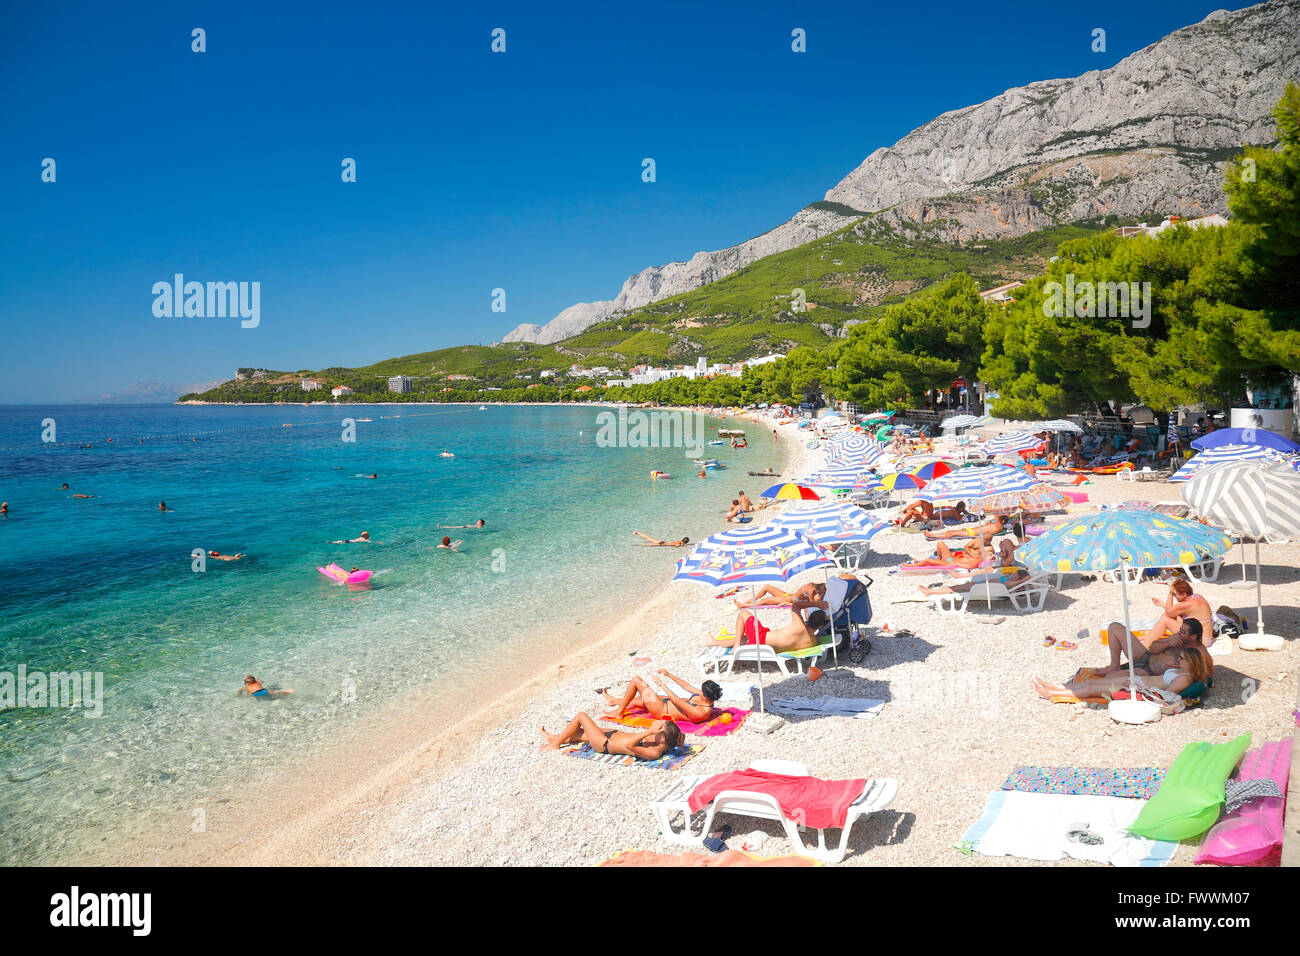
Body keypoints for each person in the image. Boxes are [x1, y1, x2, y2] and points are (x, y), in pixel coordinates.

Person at [1034, 645, 1211, 701]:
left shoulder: (1185, 679)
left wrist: (1137, 690)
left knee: (1092, 687)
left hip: (1136, 687)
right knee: (1091, 684)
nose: (1178, 660)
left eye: (1182, 658)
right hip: (1136, 681)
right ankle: (1056, 687)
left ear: (1191, 663)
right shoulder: (1180, 671)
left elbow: (1166, 695)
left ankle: (1053, 694)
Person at [540, 712, 683, 759]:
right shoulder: (660, 741)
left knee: (581, 717)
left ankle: (555, 744)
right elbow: (678, 737)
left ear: (663, 737)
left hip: (604, 744)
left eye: (658, 730)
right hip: (614, 735)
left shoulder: (653, 752)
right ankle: (554, 738)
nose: (654, 728)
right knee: (580, 733)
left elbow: (629, 745)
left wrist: (648, 732)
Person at [1104, 617, 1213, 677]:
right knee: (1115, 627)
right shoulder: (1178, 637)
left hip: (1149, 672)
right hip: (1145, 656)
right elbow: (1152, 648)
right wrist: (1167, 643)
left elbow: (1207, 676)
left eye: (1183, 632)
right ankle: (1114, 665)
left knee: (1110, 678)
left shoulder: (1200, 653)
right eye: (1180, 630)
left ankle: (1116, 671)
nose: (1179, 633)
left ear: (1193, 636)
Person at [602, 670, 722, 722]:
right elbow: (686, 686)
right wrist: (669, 674)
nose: (699, 692)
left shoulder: (701, 713)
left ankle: (619, 712)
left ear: (706, 697)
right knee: (644, 697)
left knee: (636, 680)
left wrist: (662, 684)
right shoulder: (706, 698)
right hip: (666, 702)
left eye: (701, 692)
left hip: (662, 710)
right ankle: (614, 701)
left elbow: (676, 700)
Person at [722, 600, 830, 654]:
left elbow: (796, 605)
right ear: (820, 626)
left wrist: (817, 604)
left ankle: (736, 646)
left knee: (743, 613)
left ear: (808, 617)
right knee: (744, 639)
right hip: (769, 648)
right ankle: (713, 642)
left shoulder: (799, 625)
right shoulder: (814, 641)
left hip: (761, 638)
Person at [1149, 578, 1213, 645]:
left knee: (1165, 620)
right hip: (1204, 637)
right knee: (1171, 615)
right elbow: (1174, 611)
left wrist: (1170, 593)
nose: (1175, 597)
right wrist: (1162, 604)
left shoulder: (1188, 604)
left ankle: (1145, 647)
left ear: (1184, 594)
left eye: (1175, 594)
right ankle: (1151, 636)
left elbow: (1169, 613)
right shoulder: (1197, 597)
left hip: (1201, 641)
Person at [734, 580, 826, 609]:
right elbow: (809, 604)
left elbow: (804, 606)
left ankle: (744, 605)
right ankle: (751, 600)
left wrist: (787, 604)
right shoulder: (811, 591)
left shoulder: (811, 587)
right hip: (786, 595)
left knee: (764, 601)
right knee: (767, 586)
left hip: (786, 599)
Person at [925, 513, 1002, 544]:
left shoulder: (998, 527)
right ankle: (934, 534)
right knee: (951, 531)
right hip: (970, 530)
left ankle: (933, 535)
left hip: (971, 533)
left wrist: (998, 513)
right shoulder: (994, 524)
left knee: (952, 533)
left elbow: (997, 516)